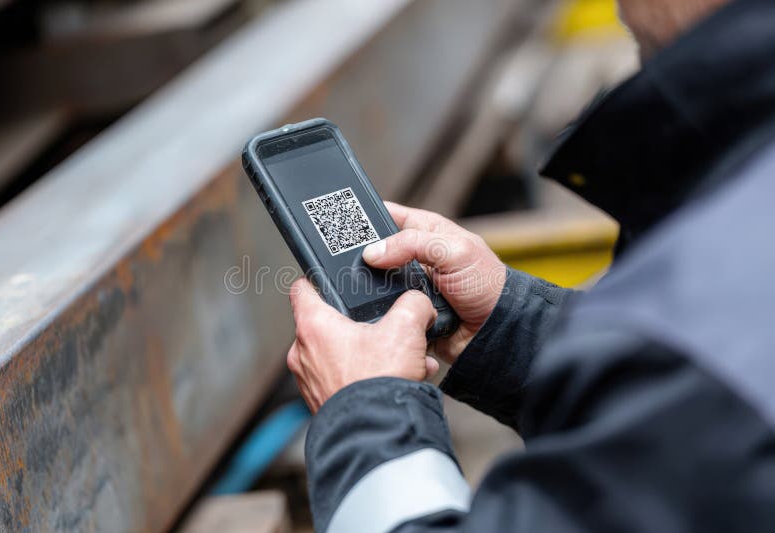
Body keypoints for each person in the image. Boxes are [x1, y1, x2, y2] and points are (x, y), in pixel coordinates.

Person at [286, 0, 775, 531]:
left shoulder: (698, 362)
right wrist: (506, 324)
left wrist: (363, 412)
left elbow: (691, 386)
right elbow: (675, 426)